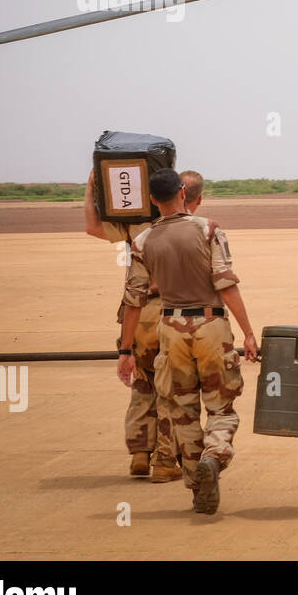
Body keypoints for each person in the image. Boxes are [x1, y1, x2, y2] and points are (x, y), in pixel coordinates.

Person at [119, 169, 259, 515]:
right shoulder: (209, 229)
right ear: (183, 193)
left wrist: (126, 351)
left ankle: (198, 482)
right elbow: (226, 284)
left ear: (153, 200)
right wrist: (248, 332)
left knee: (181, 412)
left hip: (170, 327)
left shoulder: (142, 242)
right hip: (210, 324)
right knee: (220, 406)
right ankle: (214, 457)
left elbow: (133, 302)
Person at [85, 167, 206, 482]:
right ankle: (166, 461)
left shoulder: (138, 226)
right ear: (192, 198)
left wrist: (91, 189)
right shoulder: (195, 229)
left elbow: (93, 227)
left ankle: (140, 453)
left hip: (136, 317)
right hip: (170, 315)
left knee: (142, 384)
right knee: (172, 390)